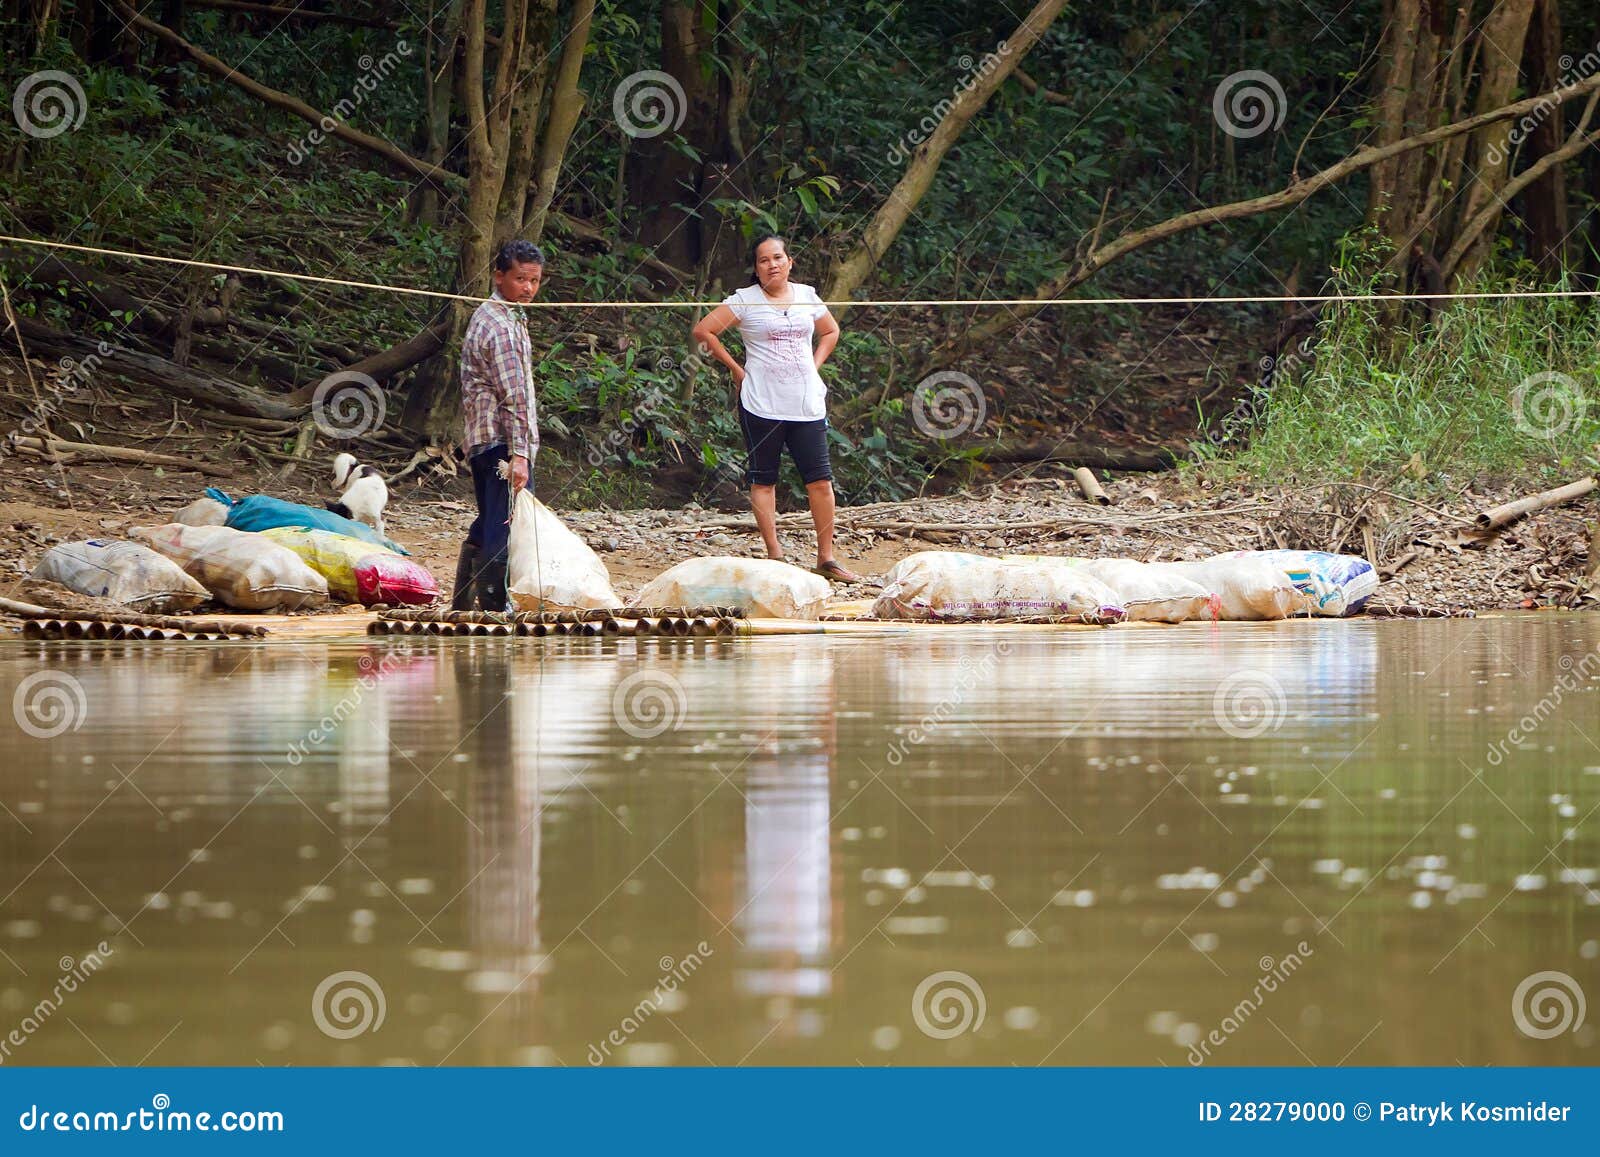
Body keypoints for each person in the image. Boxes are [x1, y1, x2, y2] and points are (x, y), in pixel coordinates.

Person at [691, 235, 860, 582]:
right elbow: (704, 331)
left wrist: (814, 365)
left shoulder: (807, 296)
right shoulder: (745, 300)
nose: (772, 265)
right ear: (756, 268)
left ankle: (826, 557)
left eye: (778, 258)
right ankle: (775, 555)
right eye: (764, 260)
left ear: (789, 262)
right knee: (764, 479)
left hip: (806, 403)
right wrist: (737, 370)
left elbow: (830, 331)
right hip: (761, 402)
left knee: (820, 481)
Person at [452, 240, 543, 611]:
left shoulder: (501, 315)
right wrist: (520, 454)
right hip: (501, 443)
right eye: (520, 279)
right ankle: (493, 607)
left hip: (485, 440)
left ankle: (462, 605)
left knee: (491, 517)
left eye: (534, 280)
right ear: (499, 276)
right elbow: (515, 397)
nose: (528, 288)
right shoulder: (501, 327)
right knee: (505, 523)